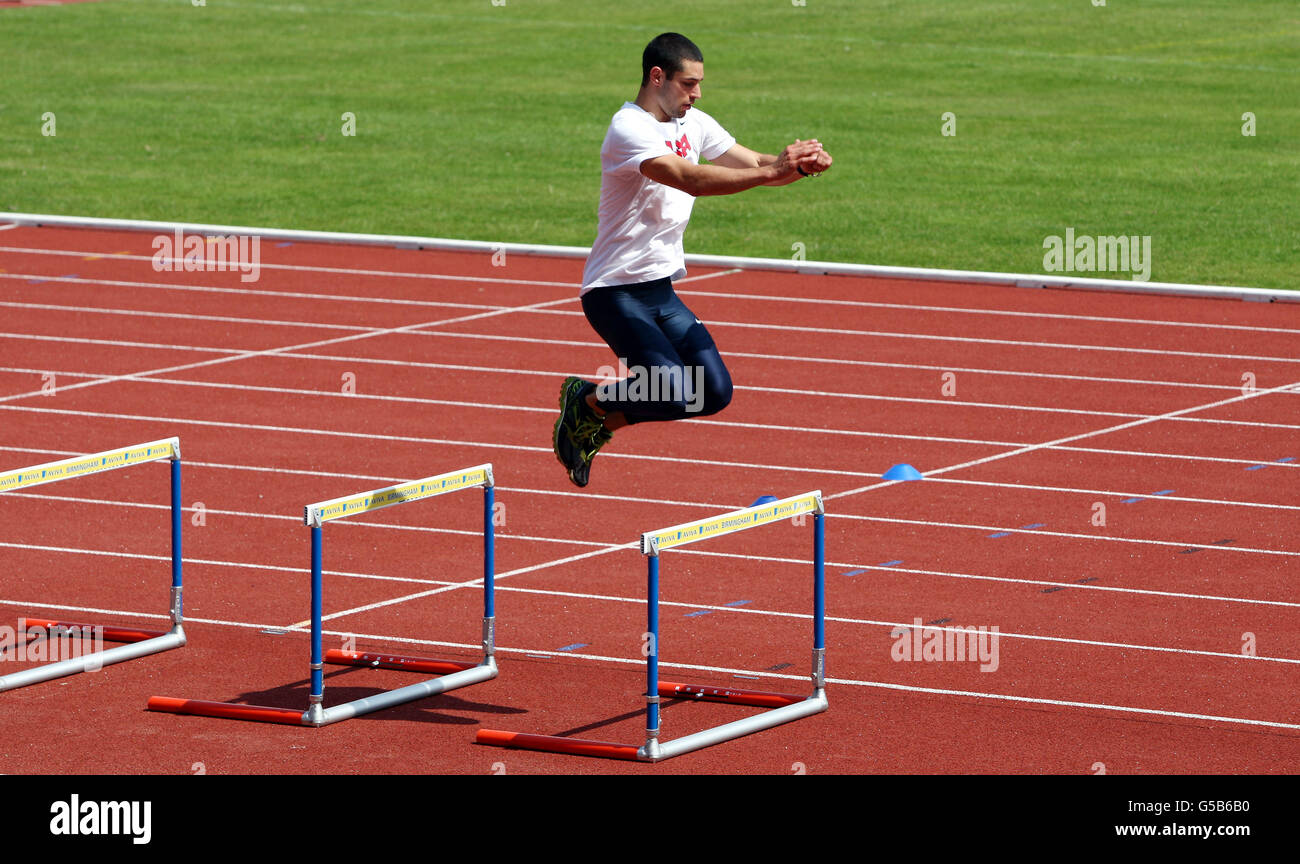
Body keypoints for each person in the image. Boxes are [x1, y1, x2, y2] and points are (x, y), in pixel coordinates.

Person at [554, 32, 832, 487]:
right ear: (657, 77)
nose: (697, 93)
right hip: (614, 292)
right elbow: (691, 178)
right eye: (689, 83)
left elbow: (755, 164)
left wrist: (797, 166)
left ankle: (599, 426)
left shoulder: (694, 123)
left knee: (713, 393)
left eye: (700, 84)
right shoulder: (629, 129)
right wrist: (772, 171)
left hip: (659, 290)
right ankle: (587, 400)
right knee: (672, 389)